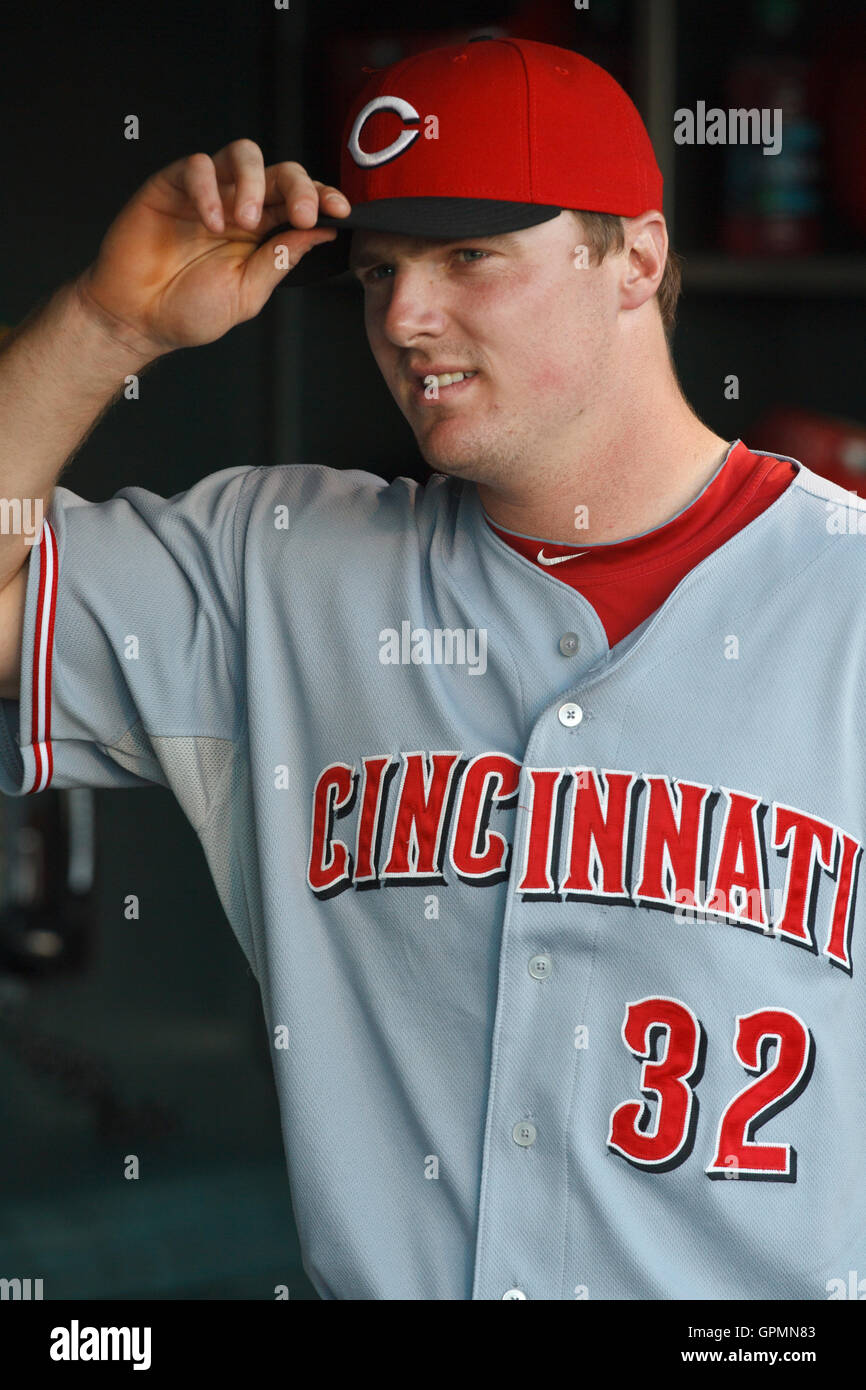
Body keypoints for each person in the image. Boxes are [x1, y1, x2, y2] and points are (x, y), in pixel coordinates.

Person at [0, 36, 863, 1301]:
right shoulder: (278, 569)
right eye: (381, 270)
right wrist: (99, 324)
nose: (404, 317)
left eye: (470, 257)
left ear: (635, 257)